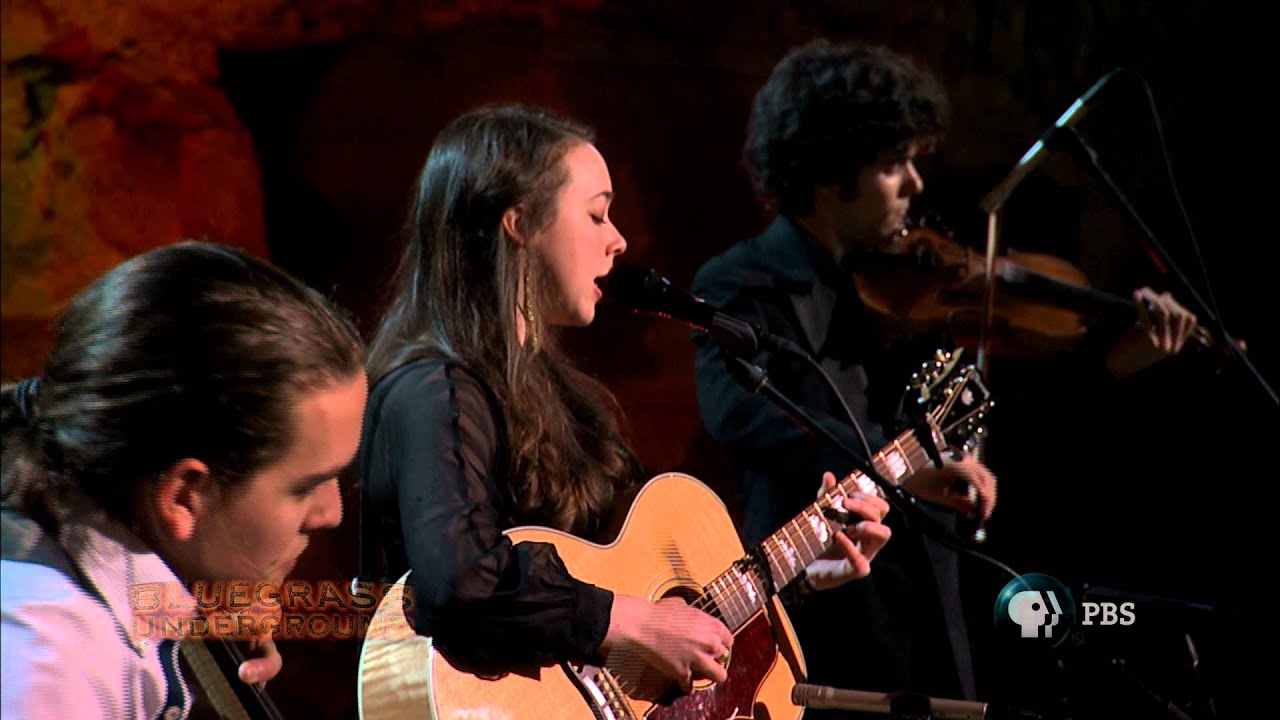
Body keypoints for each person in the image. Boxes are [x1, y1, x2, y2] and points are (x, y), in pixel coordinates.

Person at [691, 40, 1200, 711]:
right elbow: (742, 414)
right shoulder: (743, 284)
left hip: (935, 621)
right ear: (830, 170)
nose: (916, 185)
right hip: (820, 626)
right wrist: (892, 468)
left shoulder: (908, 290)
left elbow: (991, 410)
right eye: (893, 164)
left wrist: (1114, 360)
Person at [357, 104, 892, 699]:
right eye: (596, 214)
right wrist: (633, 622)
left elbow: (643, 586)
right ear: (520, 223)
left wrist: (795, 574)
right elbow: (460, 579)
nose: (618, 240)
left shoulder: (566, 400)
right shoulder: (431, 390)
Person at [1, 241, 367, 719]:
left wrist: (193, 596)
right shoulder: (48, 671)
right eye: (305, 487)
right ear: (183, 497)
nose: (332, 513)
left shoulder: (77, 517)